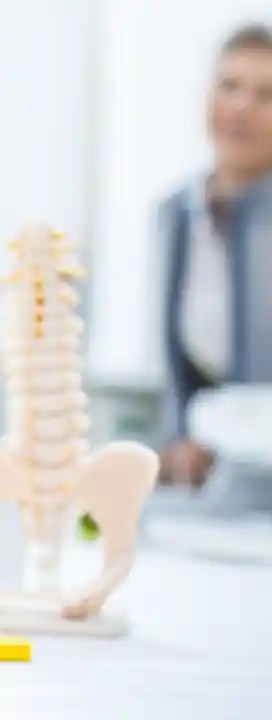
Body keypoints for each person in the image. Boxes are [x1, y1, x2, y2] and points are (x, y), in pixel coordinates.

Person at [158, 23, 272, 490]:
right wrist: (186, 439)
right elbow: (182, 365)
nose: (241, 107)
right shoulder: (178, 212)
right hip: (215, 480)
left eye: (266, 94)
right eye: (229, 86)